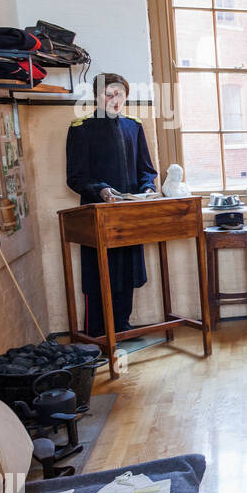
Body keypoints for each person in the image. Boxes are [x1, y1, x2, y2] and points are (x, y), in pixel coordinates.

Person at [65, 73, 158, 337]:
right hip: (98, 215)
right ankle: (97, 333)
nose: (114, 99)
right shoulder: (81, 128)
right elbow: (76, 177)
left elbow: (147, 170)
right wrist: (102, 191)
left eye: (120, 94)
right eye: (109, 94)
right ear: (97, 96)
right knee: (99, 272)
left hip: (129, 213)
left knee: (127, 270)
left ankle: (122, 327)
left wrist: (147, 189)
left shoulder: (133, 126)